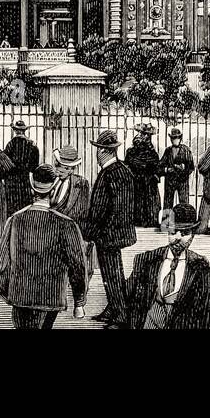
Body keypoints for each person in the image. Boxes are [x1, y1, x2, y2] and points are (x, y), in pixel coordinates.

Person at [0, 164, 88, 329]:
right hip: (51, 298)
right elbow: (78, 266)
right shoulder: (67, 224)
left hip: (20, 297)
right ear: (54, 188)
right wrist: (79, 302)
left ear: (31, 187)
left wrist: (9, 293)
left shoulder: (14, 220)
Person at [124, 202, 210, 329]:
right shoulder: (146, 261)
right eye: (173, 232)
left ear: (193, 235)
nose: (178, 238)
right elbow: (127, 302)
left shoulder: (204, 270)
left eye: (185, 233)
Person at [84, 129, 136, 327]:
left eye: (98, 150)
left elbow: (101, 209)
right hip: (117, 232)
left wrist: (92, 232)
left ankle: (121, 317)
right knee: (114, 273)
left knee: (111, 274)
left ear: (104, 151)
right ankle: (113, 309)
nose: (96, 154)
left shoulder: (109, 173)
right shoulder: (123, 170)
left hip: (108, 234)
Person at [50, 144, 93, 270]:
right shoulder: (53, 181)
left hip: (70, 234)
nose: (57, 170)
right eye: (57, 165)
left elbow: (83, 212)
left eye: (62, 167)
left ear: (71, 169)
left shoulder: (81, 184)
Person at [125, 124, 162, 227]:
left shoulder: (151, 151)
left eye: (146, 134)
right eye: (143, 133)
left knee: (150, 202)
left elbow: (155, 164)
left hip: (149, 181)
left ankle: (150, 221)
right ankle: (139, 221)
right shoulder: (132, 150)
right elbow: (129, 162)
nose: (144, 136)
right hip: (137, 179)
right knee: (138, 201)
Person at [3, 120, 39, 214]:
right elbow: (35, 166)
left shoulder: (10, 144)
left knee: (12, 206)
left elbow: (4, 162)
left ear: (15, 131)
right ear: (24, 131)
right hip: (25, 179)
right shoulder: (32, 144)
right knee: (25, 205)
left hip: (11, 180)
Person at [159, 128, 194, 213]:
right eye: (173, 138)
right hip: (170, 181)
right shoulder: (168, 150)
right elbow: (160, 166)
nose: (175, 140)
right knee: (167, 204)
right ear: (171, 139)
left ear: (180, 138)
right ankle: (167, 224)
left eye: (177, 138)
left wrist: (184, 169)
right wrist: (167, 170)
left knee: (184, 204)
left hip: (183, 181)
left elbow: (191, 167)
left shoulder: (186, 150)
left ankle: (184, 224)